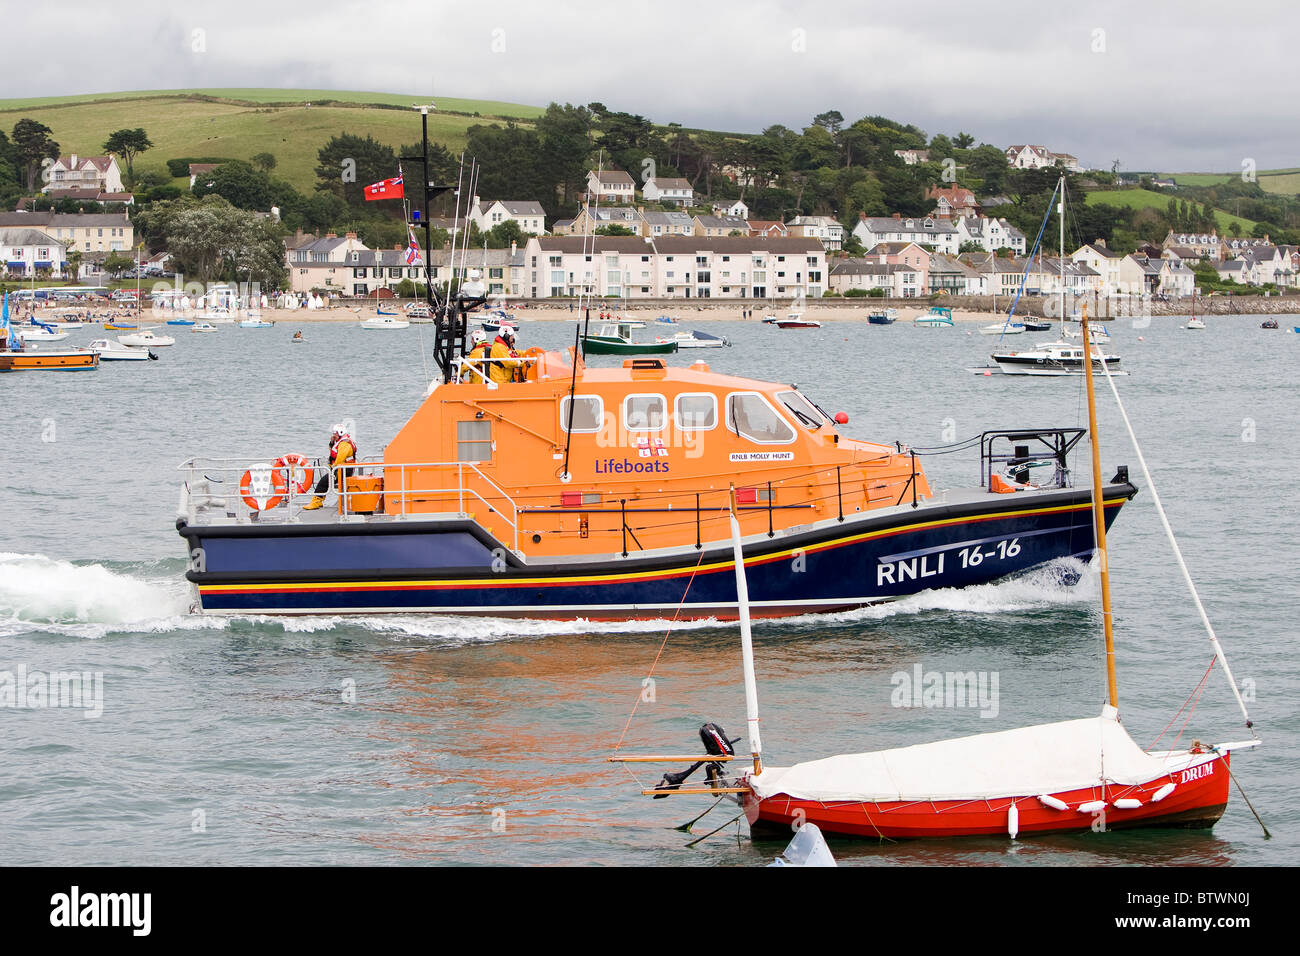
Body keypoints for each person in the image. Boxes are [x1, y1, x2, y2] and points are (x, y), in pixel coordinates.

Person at [304, 424, 357, 511]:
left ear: (340, 432)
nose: (333, 435)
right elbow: (334, 453)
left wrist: (333, 468)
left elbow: (340, 458)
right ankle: (318, 501)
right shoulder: (341, 442)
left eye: (335, 433)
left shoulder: (345, 443)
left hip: (344, 469)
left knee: (323, 482)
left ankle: (316, 502)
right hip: (342, 468)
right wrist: (332, 443)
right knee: (325, 481)